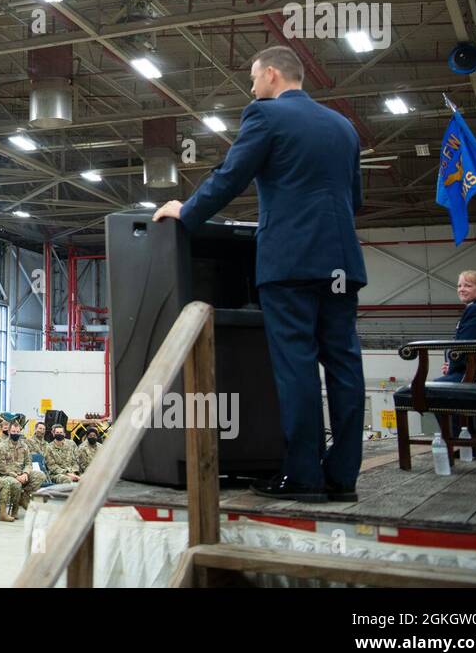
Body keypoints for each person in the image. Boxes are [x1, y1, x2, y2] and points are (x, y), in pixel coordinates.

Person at [152, 44, 366, 503]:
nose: (251, 88)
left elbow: (230, 176)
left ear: (271, 75)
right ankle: (343, 477)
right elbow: (355, 199)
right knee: (345, 365)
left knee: (297, 367)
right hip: (343, 262)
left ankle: (304, 476)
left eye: (253, 79)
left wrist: (186, 210)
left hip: (290, 262)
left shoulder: (265, 116)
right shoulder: (344, 127)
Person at [441, 271, 476, 382]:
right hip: (474, 370)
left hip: (471, 375)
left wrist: (451, 368)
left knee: (413, 390)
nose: (461, 289)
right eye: (459, 285)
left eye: (468, 286)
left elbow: (465, 347)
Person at [0, 423, 44, 520]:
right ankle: (14, 510)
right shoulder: (1, 446)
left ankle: (23, 496)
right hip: (7, 474)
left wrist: (25, 473)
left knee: (40, 475)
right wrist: (16, 476)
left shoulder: (24, 446)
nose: (15, 433)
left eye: (17, 432)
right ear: (9, 432)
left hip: (22, 473)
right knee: (16, 483)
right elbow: (1, 467)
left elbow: (29, 463)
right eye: (13, 432)